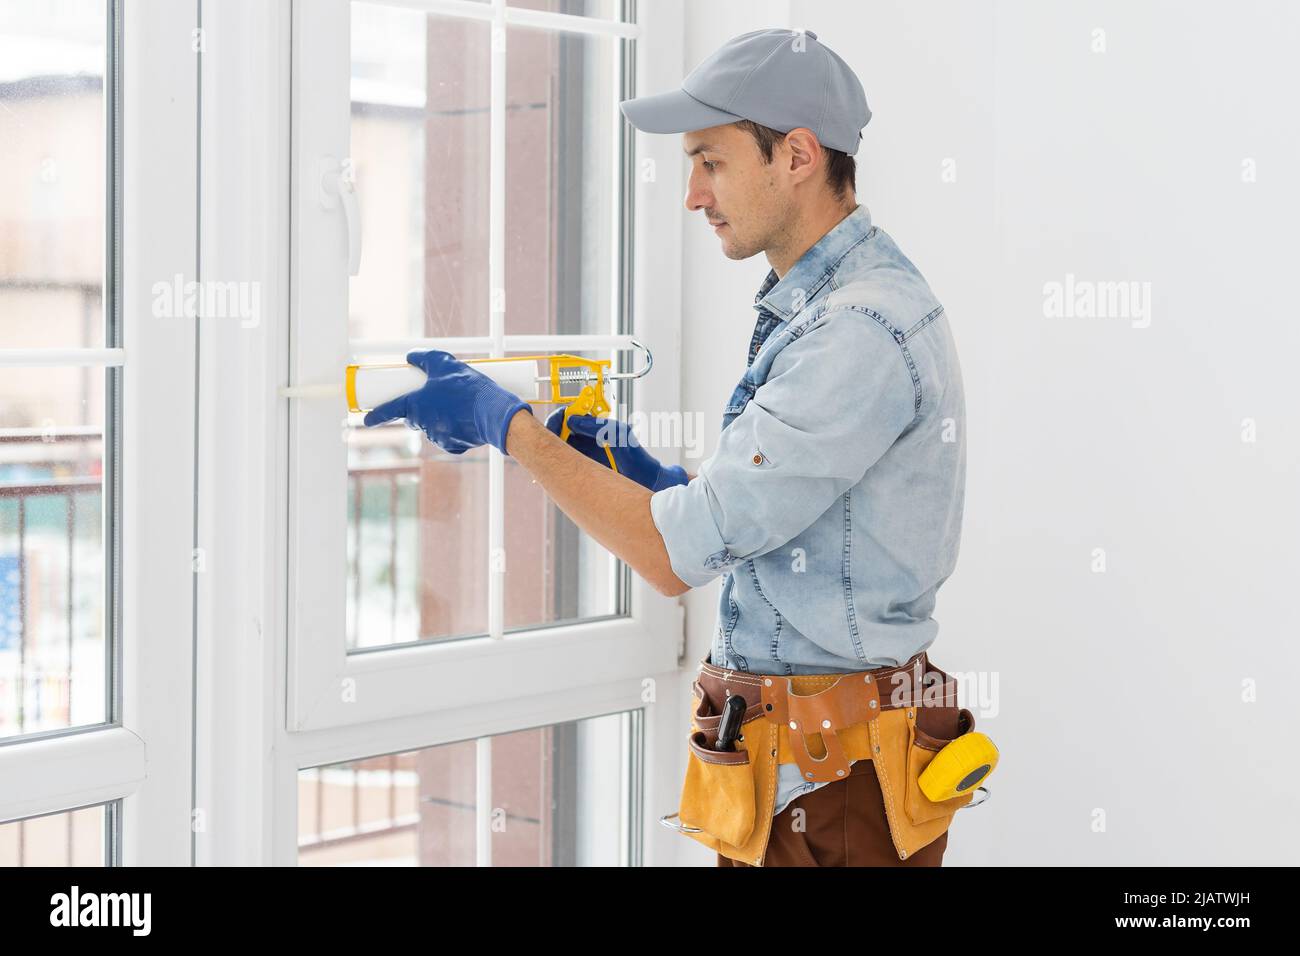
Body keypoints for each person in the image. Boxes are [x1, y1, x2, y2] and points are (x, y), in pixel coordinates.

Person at [364, 28, 969, 867]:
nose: (693, 195)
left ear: (797, 155)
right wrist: (650, 479)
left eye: (711, 162)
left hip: (829, 796)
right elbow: (761, 524)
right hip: (801, 779)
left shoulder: (855, 331)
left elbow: (670, 557)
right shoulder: (831, 306)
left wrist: (508, 428)